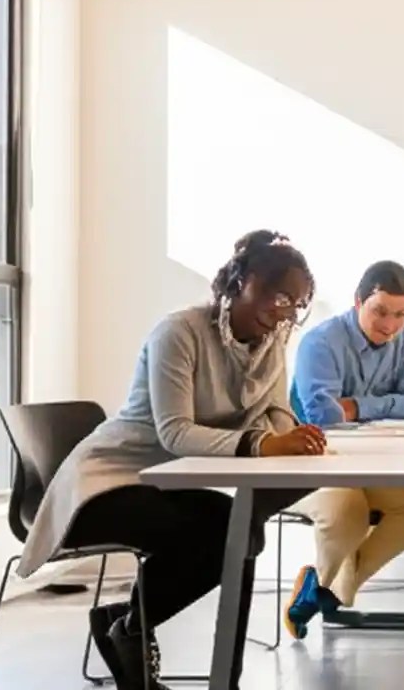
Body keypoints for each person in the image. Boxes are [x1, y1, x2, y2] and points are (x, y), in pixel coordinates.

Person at [16, 230, 325, 690]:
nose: (285, 313)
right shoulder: (179, 332)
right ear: (244, 281)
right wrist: (264, 445)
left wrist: (294, 438)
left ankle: (143, 633)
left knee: (239, 527)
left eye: (296, 305)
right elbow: (175, 432)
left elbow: (274, 410)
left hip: (162, 483)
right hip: (104, 484)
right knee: (227, 533)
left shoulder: (271, 344)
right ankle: (131, 628)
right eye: (279, 297)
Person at [284, 260, 404, 639]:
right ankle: (326, 587)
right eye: (380, 311)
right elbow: (324, 416)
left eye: (401, 315)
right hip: (313, 465)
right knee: (348, 510)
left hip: (376, 464)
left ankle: (326, 591)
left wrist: (357, 407)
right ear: (357, 302)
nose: (389, 325)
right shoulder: (320, 343)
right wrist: (393, 405)